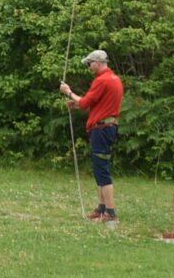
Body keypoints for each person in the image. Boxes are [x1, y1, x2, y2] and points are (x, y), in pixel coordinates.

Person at [61, 48, 124, 223]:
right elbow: (97, 104)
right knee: (99, 168)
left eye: (89, 64)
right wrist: (77, 104)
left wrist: (68, 92)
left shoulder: (102, 81)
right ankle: (101, 208)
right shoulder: (114, 79)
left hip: (102, 129)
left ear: (97, 63)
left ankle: (110, 213)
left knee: (102, 170)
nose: (89, 67)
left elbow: (85, 102)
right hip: (107, 127)